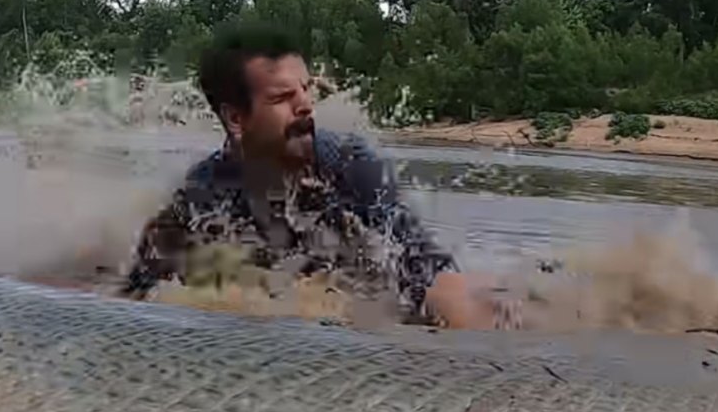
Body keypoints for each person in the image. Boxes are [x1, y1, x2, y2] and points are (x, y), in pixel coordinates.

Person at [120, 21, 489, 328]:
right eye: (282, 98)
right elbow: (132, 299)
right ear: (236, 119)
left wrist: (473, 341)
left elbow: (428, 267)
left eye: (306, 89)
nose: (306, 106)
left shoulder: (351, 167)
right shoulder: (201, 198)